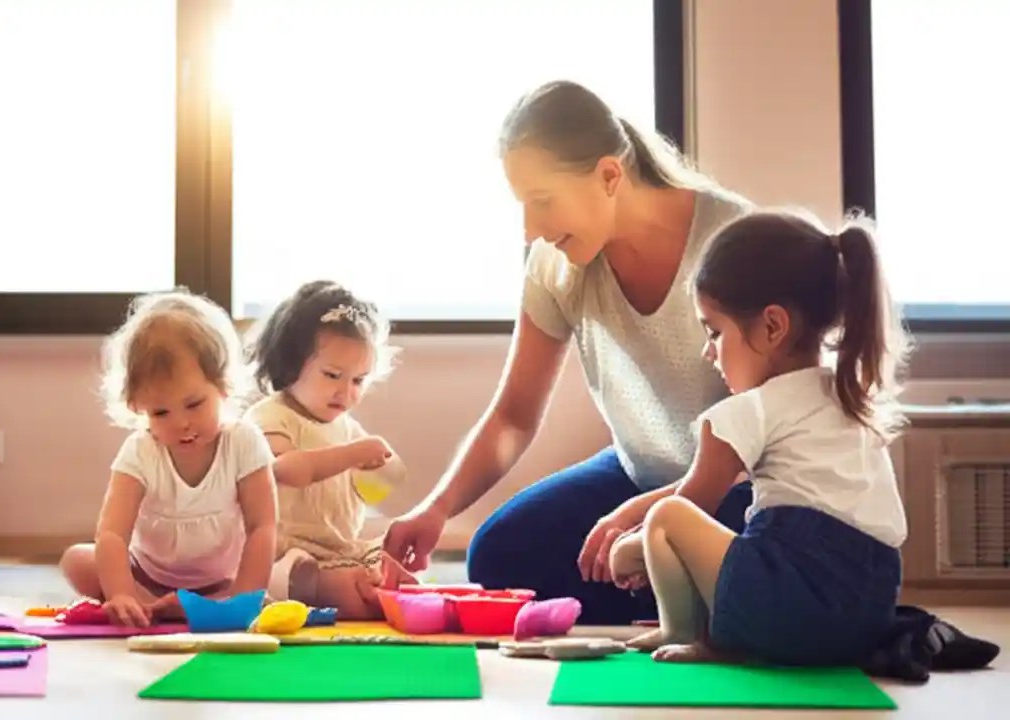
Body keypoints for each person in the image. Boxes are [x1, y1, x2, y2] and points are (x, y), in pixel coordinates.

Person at [381, 79, 755, 624]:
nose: (532, 230)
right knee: (498, 556)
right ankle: (681, 593)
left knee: (763, 554)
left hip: (735, 487)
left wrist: (654, 515)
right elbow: (514, 415)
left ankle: (694, 588)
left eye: (542, 202)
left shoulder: (733, 238)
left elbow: (765, 429)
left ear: (609, 175)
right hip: (638, 470)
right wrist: (435, 508)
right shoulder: (554, 267)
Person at [607, 208, 911, 665]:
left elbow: (691, 503)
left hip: (794, 604)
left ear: (773, 326)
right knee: (726, 529)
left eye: (714, 331)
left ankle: (683, 632)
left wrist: (630, 549)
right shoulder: (849, 396)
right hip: (868, 612)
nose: (707, 351)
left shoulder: (747, 412)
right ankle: (722, 631)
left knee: (670, 516)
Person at [60, 290, 278, 627]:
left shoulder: (244, 442)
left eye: (194, 404)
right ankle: (150, 605)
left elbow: (262, 526)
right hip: (147, 577)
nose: (181, 423)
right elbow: (113, 534)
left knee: (267, 585)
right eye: (160, 412)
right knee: (77, 560)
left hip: (220, 584)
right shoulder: (140, 451)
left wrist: (242, 600)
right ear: (137, 406)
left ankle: (198, 606)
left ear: (222, 386)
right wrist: (121, 593)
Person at [244, 280, 414, 619]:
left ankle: (372, 588)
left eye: (358, 380)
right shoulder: (271, 416)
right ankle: (340, 594)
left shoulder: (345, 427)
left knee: (386, 564)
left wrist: (381, 469)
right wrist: (353, 454)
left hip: (338, 550)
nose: (346, 392)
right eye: (333, 375)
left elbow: (371, 493)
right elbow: (287, 469)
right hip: (285, 554)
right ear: (290, 364)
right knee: (323, 584)